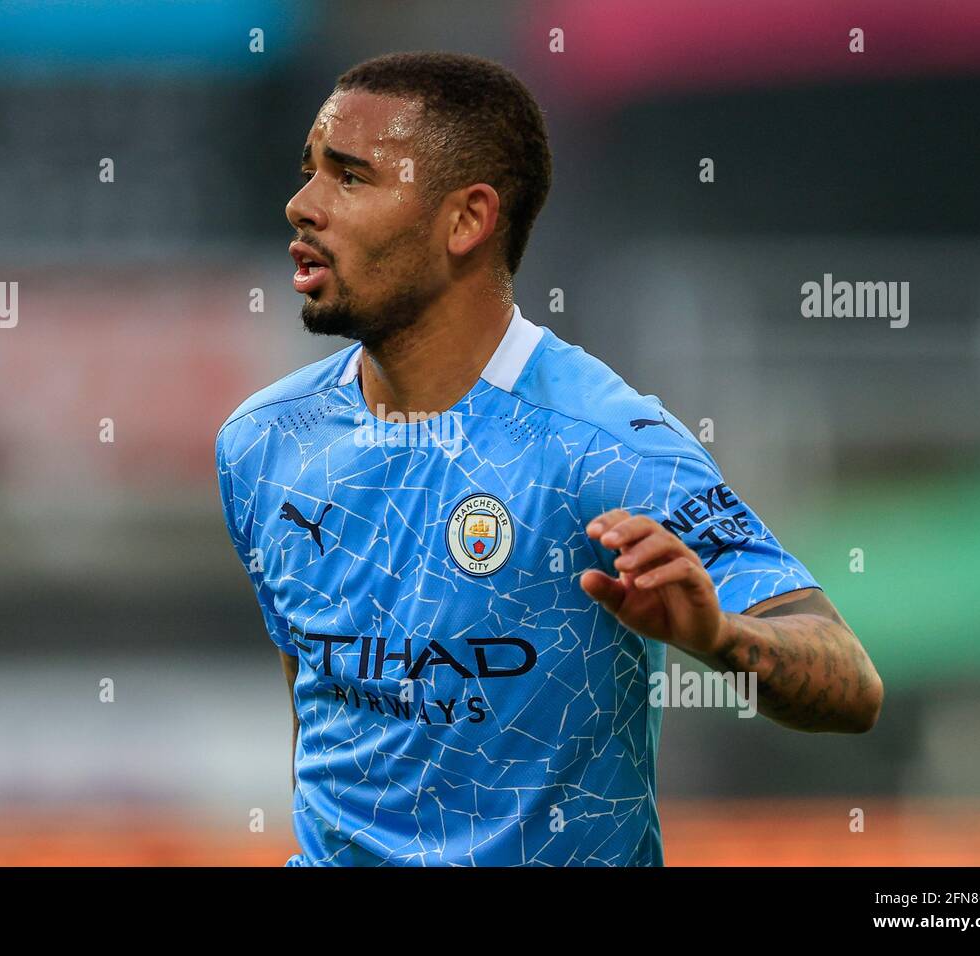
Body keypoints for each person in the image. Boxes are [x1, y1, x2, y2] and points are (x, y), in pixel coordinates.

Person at [215, 51, 882, 866]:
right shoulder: (265, 442)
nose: (302, 205)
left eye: (350, 177)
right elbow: (325, 725)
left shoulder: (605, 445)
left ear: (467, 221)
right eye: (310, 172)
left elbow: (852, 686)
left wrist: (719, 636)